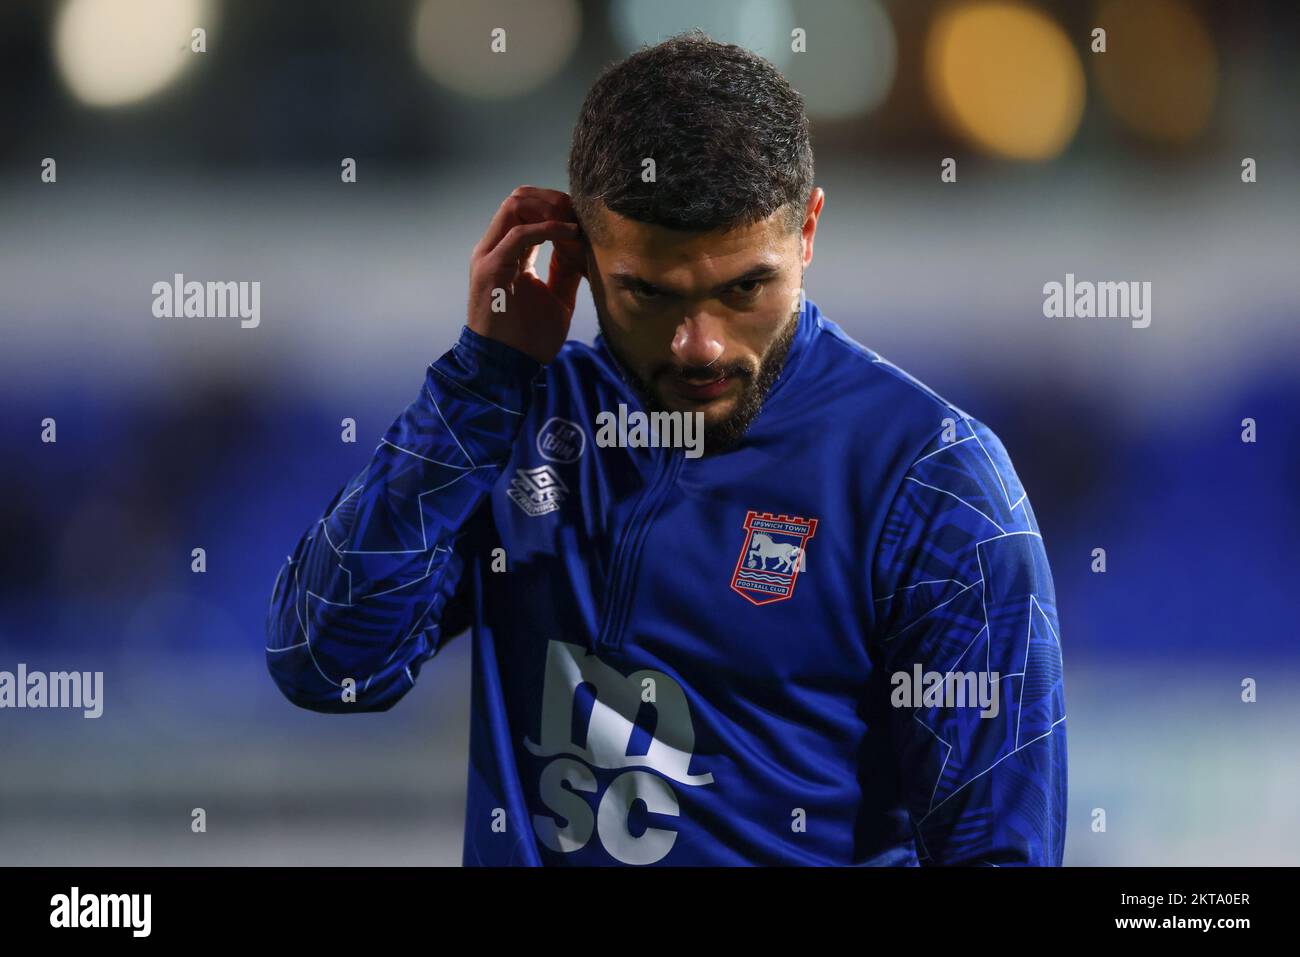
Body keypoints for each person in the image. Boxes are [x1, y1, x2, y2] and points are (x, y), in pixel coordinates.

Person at [266, 31, 1067, 866]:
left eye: (744, 289)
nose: (699, 346)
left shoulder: (934, 478)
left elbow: (1001, 854)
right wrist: (476, 383)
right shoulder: (513, 420)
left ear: (808, 235)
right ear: (575, 250)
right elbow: (323, 665)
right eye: (648, 293)